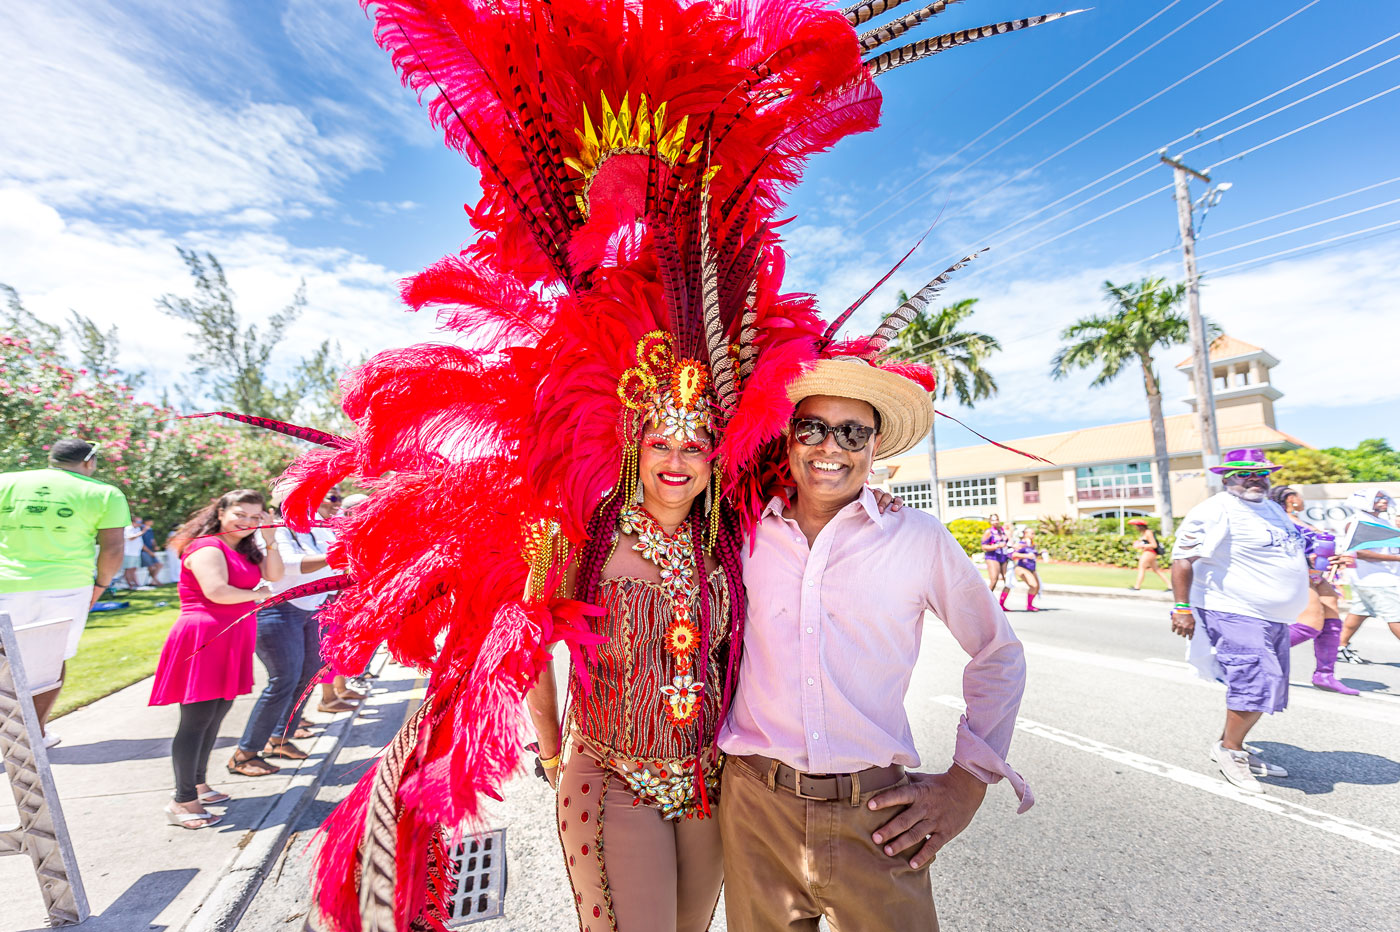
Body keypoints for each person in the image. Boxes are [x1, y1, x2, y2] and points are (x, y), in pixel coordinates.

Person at [719, 357, 1031, 932]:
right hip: (754, 811)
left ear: (874, 445)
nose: (829, 446)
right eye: (811, 427)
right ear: (788, 437)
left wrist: (967, 783)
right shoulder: (740, 532)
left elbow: (999, 654)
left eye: (851, 432)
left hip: (877, 818)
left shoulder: (917, 537)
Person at [1170, 449, 1309, 793]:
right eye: (1244, 474)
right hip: (1232, 607)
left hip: (1273, 615)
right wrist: (1182, 607)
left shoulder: (1272, 508)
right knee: (1257, 681)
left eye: (1261, 473)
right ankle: (1230, 751)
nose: (1254, 479)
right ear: (1227, 478)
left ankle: (1231, 744)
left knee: (1267, 685)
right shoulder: (1216, 509)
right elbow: (1182, 559)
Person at [149, 490, 283, 829]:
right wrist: (258, 595)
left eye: (255, 516)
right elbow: (217, 591)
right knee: (196, 721)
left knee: (214, 717)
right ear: (220, 512)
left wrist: (271, 540)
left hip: (230, 637)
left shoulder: (245, 549)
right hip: (204, 638)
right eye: (240, 513)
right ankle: (182, 801)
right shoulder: (208, 547)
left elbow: (276, 576)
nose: (247, 521)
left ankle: (198, 785)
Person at [0, 438, 128, 745]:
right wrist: (101, 585)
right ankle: (33, 736)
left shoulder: (6, 481)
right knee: (49, 661)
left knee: (4, 659)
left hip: (5, 582)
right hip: (66, 586)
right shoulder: (104, 493)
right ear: (89, 461)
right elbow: (112, 549)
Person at [228, 488, 341, 777]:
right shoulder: (273, 529)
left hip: (310, 608)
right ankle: (245, 754)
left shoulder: (316, 527)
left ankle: (279, 738)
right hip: (278, 610)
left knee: (309, 673)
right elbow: (291, 566)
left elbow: (336, 560)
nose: (312, 504)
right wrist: (338, 555)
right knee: (284, 680)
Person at [1268, 485, 1358, 695]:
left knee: (1332, 620)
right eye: (1300, 496)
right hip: (1298, 573)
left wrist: (1336, 558)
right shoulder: (1280, 520)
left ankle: (1324, 674)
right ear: (1291, 498)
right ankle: (1253, 655)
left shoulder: (1299, 520)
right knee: (1310, 625)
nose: (1303, 500)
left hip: (1317, 574)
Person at [1337, 489, 1400, 662]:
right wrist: (1396, 558)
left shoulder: (1381, 521)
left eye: (1384, 497)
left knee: (1359, 612)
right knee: (1396, 617)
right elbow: (1358, 552)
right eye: (1377, 498)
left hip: (1373, 579)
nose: (1384, 501)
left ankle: (1339, 647)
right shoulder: (1357, 522)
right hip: (1377, 580)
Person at [981, 514, 1012, 608]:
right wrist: (997, 546)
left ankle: (1001, 604)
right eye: (993, 520)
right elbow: (983, 547)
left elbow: (1009, 541)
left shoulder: (1002, 531)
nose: (995, 522)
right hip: (992, 557)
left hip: (1003, 556)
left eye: (997, 519)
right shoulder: (989, 532)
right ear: (990, 522)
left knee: (1008, 581)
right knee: (994, 580)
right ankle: (984, 603)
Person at [1128, 518, 1167, 590]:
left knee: (1141, 567)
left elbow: (1154, 545)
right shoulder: (1144, 533)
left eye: (1136, 526)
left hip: (1149, 552)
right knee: (1156, 570)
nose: (1135, 528)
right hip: (1149, 552)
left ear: (1140, 526)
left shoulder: (1148, 532)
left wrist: (1141, 545)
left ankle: (1137, 586)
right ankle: (1170, 586)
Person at [1013, 529, 1042, 612]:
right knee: (1033, 585)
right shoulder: (1022, 544)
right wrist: (1026, 556)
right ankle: (1029, 606)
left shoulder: (1032, 544)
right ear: (1025, 534)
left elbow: (1033, 555)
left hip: (1032, 568)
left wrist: (1040, 553)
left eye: (1034, 533)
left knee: (1037, 587)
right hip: (1022, 567)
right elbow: (1014, 554)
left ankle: (1030, 604)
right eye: (1031, 533)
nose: (1033, 535)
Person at [121, 514, 147, 589]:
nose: (140, 523)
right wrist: (143, 532)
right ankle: (130, 585)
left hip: (136, 553)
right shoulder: (128, 528)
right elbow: (130, 538)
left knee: (134, 569)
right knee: (128, 569)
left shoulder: (138, 529)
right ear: (133, 521)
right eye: (138, 522)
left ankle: (136, 584)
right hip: (129, 552)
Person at [140, 517, 163, 586]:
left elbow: (152, 540)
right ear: (146, 521)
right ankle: (155, 581)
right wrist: (149, 552)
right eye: (151, 521)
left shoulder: (150, 530)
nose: (153, 522)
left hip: (151, 550)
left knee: (159, 565)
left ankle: (153, 581)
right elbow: (141, 543)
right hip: (144, 551)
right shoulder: (141, 529)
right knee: (151, 567)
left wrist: (155, 546)